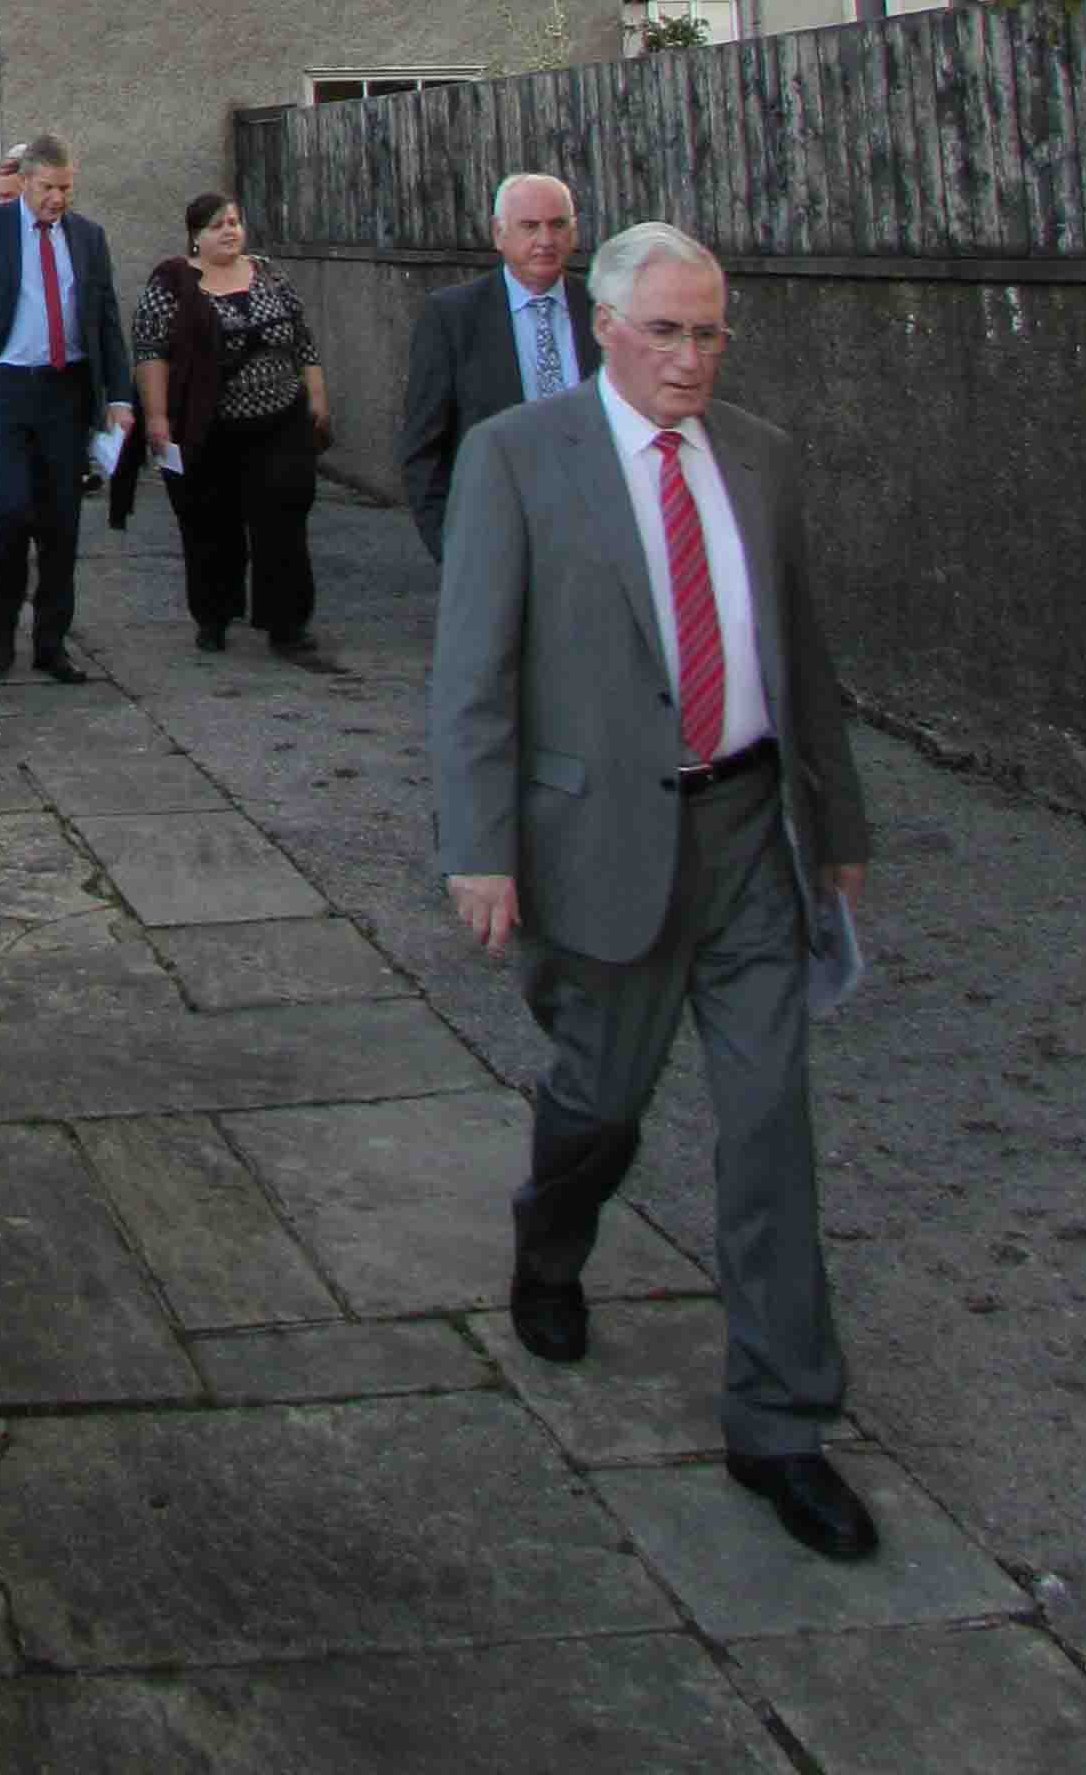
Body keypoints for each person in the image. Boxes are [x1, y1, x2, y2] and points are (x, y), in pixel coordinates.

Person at [430, 220, 879, 1567]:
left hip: (749, 835)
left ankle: (780, 1424)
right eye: (669, 331)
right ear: (608, 327)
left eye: (711, 332)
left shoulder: (760, 460)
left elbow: (800, 653)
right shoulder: (520, 459)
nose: (693, 358)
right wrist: (479, 849)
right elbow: (473, 676)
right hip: (603, 846)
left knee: (767, 1128)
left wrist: (838, 824)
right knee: (601, 1101)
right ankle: (551, 1238)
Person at [0, 132, 134, 685]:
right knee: (14, 509)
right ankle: (2, 625)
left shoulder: (88, 238)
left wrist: (117, 397)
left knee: (62, 522)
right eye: (48, 187)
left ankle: (51, 641)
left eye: (66, 188)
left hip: (66, 392)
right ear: (24, 183)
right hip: (4, 387)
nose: (57, 198)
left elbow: (104, 323)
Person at [128, 194, 335, 658]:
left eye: (236, 222)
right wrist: (158, 417)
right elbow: (150, 352)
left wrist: (317, 399)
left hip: (279, 421)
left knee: (282, 518)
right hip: (209, 430)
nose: (230, 232)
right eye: (218, 225)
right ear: (195, 235)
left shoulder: (271, 274)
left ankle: (286, 624)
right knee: (210, 526)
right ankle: (214, 617)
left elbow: (303, 341)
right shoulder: (172, 284)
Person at [400, 171, 600, 564]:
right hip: (498, 539)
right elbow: (423, 447)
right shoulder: (452, 317)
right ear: (498, 234)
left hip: (595, 533)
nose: (545, 240)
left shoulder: (605, 310)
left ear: (574, 232)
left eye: (558, 225)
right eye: (529, 226)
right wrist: (451, 547)